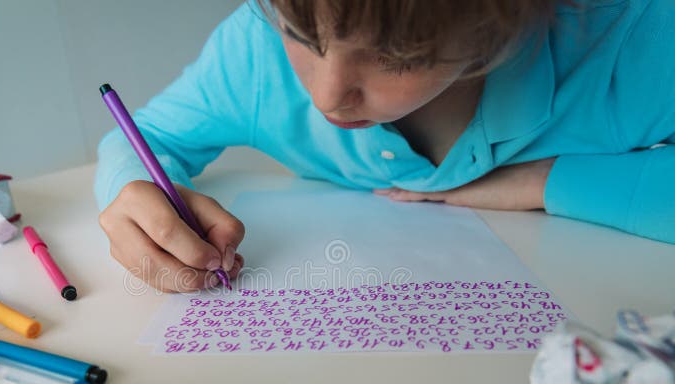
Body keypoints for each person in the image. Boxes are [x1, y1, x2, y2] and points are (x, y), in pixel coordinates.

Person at [95, 0, 675, 293]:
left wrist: (545, 182)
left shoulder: (639, 41)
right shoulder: (255, 49)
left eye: (397, 58)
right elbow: (146, 137)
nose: (327, 97)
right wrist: (132, 189)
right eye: (303, 36)